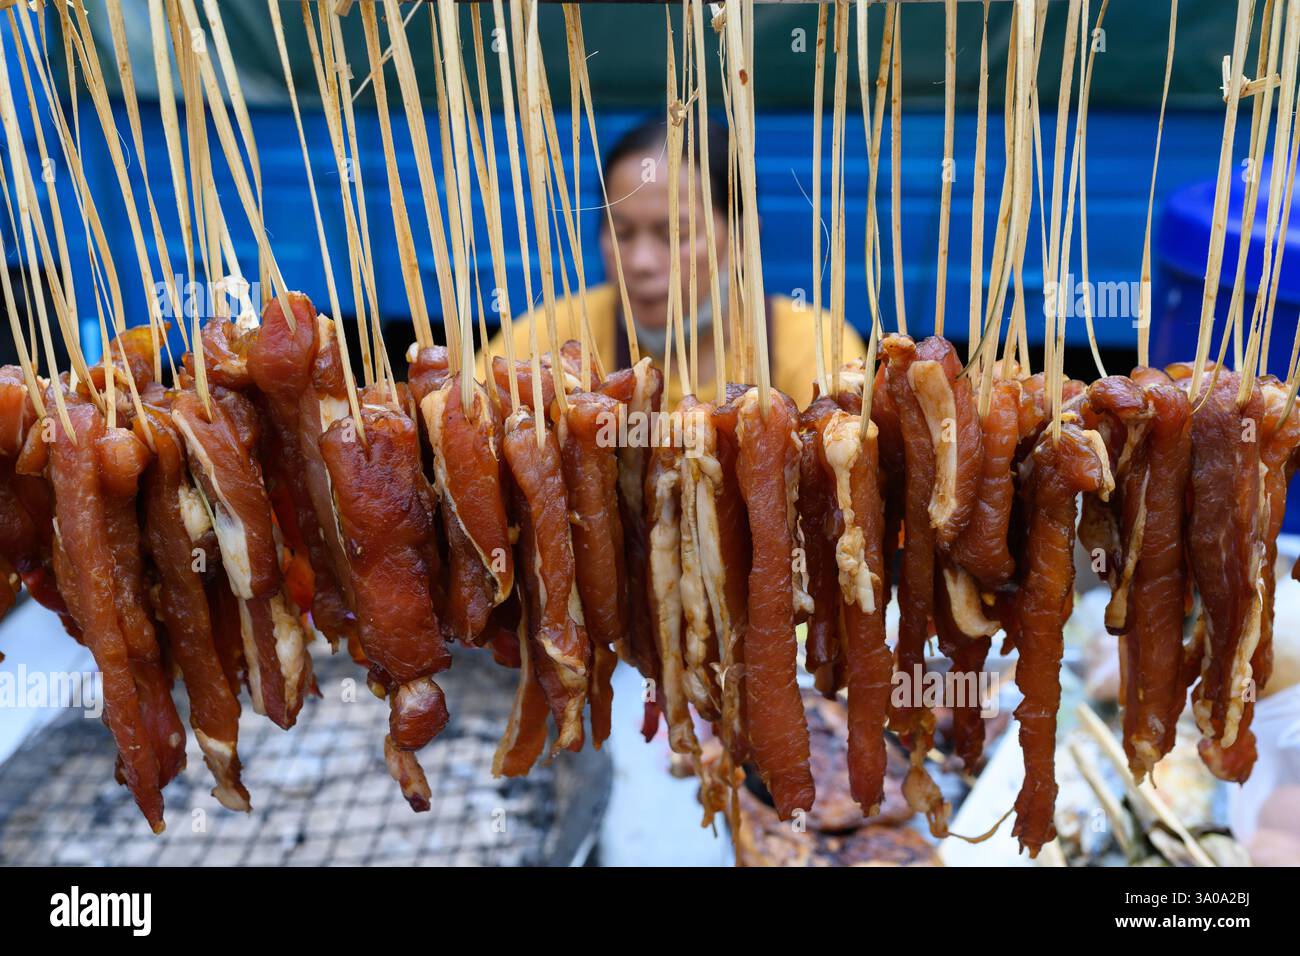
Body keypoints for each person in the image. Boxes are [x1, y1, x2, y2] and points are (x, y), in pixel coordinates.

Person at [482, 116, 867, 409]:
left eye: (675, 235)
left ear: (742, 239)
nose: (642, 262)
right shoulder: (549, 337)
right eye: (623, 234)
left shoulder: (813, 344)